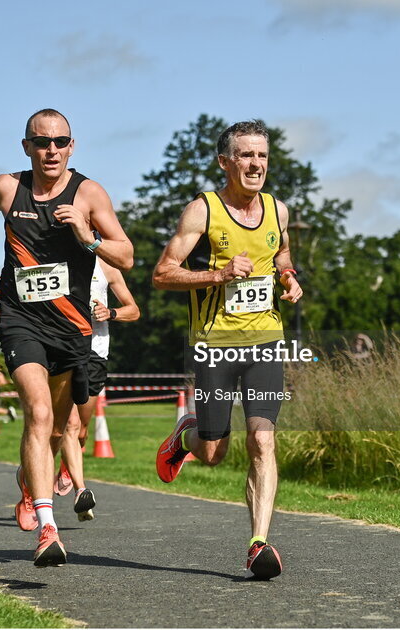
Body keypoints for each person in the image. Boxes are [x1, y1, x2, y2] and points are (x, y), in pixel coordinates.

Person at [0, 108, 133, 567]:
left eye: (60, 141)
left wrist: (86, 233)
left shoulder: (89, 193)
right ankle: (48, 527)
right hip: (20, 320)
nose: (51, 150)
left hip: (73, 327)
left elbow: (128, 255)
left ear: (72, 146)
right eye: (41, 142)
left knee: (59, 429)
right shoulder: (6, 187)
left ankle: (27, 480)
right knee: (37, 414)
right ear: (26, 147)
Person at [151, 120, 303, 580]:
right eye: (246, 155)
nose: (256, 164)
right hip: (215, 344)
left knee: (262, 438)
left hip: (265, 340)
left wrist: (289, 278)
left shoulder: (278, 211)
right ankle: (187, 434)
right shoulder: (203, 212)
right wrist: (218, 274)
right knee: (214, 452)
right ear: (225, 162)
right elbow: (162, 274)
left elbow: (281, 256)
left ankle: (258, 542)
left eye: (262, 155)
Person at [51, 257, 140, 514]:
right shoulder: (58, 259)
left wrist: (111, 313)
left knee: (81, 430)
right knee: (69, 424)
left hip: (95, 352)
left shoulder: (107, 267)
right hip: (64, 350)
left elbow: (133, 309)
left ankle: (67, 466)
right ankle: (81, 490)